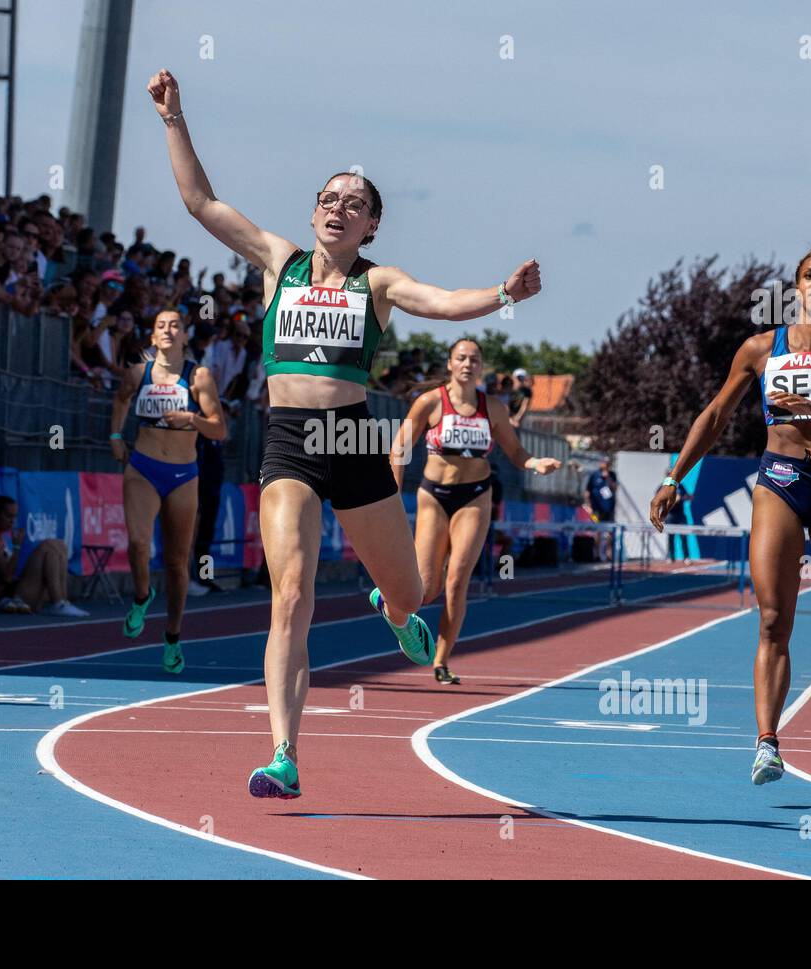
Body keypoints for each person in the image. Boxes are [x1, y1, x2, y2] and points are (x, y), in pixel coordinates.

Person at [148, 67, 541, 798]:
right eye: (329, 198)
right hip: (290, 441)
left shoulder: (379, 282)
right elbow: (200, 201)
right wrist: (174, 119)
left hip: (354, 441)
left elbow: (446, 303)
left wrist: (501, 294)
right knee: (290, 593)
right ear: (313, 212)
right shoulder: (278, 261)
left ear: (371, 225)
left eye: (354, 203)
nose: (338, 208)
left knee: (412, 589)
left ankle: (395, 613)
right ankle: (284, 752)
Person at [649, 241, 811, 787]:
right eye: (810, 275)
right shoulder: (761, 348)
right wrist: (673, 477)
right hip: (779, 480)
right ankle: (766, 743)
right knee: (774, 618)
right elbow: (714, 415)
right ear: (795, 286)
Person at [392, 338, 561, 684]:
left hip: (475, 496)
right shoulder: (430, 402)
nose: (468, 364)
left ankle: (441, 660)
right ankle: (390, 598)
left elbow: (515, 451)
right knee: (426, 589)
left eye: (474, 359)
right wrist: (392, 493)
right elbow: (399, 448)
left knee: (456, 582)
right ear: (450, 364)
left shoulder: (493, 408)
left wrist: (534, 463)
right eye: (461, 358)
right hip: (434, 495)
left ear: (481, 367)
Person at [109, 306, 225, 674]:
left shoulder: (198, 377)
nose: (169, 330)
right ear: (153, 336)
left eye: (175, 325)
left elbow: (219, 430)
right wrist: (115, 434)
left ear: (185, 335)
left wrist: (191, 418)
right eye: (161, 325)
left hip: (183, 475)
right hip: (143, 466)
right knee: (139, 543)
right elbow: (121, 399)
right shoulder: (137, 373)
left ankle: (172, 636)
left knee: (177, 562)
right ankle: (142, 596)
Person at [0, 495, 89, 617]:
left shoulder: (3, 537)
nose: (12, 521)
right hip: (12, 596)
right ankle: (58, 603)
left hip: (22, 590)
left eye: (14, 517)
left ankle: (63, 601)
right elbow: (6, 577)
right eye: (8, 516)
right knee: (48, 546)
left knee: (59, 545)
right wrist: (17, 547)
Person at [584, 458, 618, 562]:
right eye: (604, 463)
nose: (606, 465)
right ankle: (596, 554)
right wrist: (588, 505)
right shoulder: (594, 475)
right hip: (596, 509)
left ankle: (608, 554)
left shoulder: (612, 475)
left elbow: (615, 488)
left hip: (609, 508)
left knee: (609, 532)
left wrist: (608, 478)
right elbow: (587, 491)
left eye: (608, 463)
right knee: (597, 531)